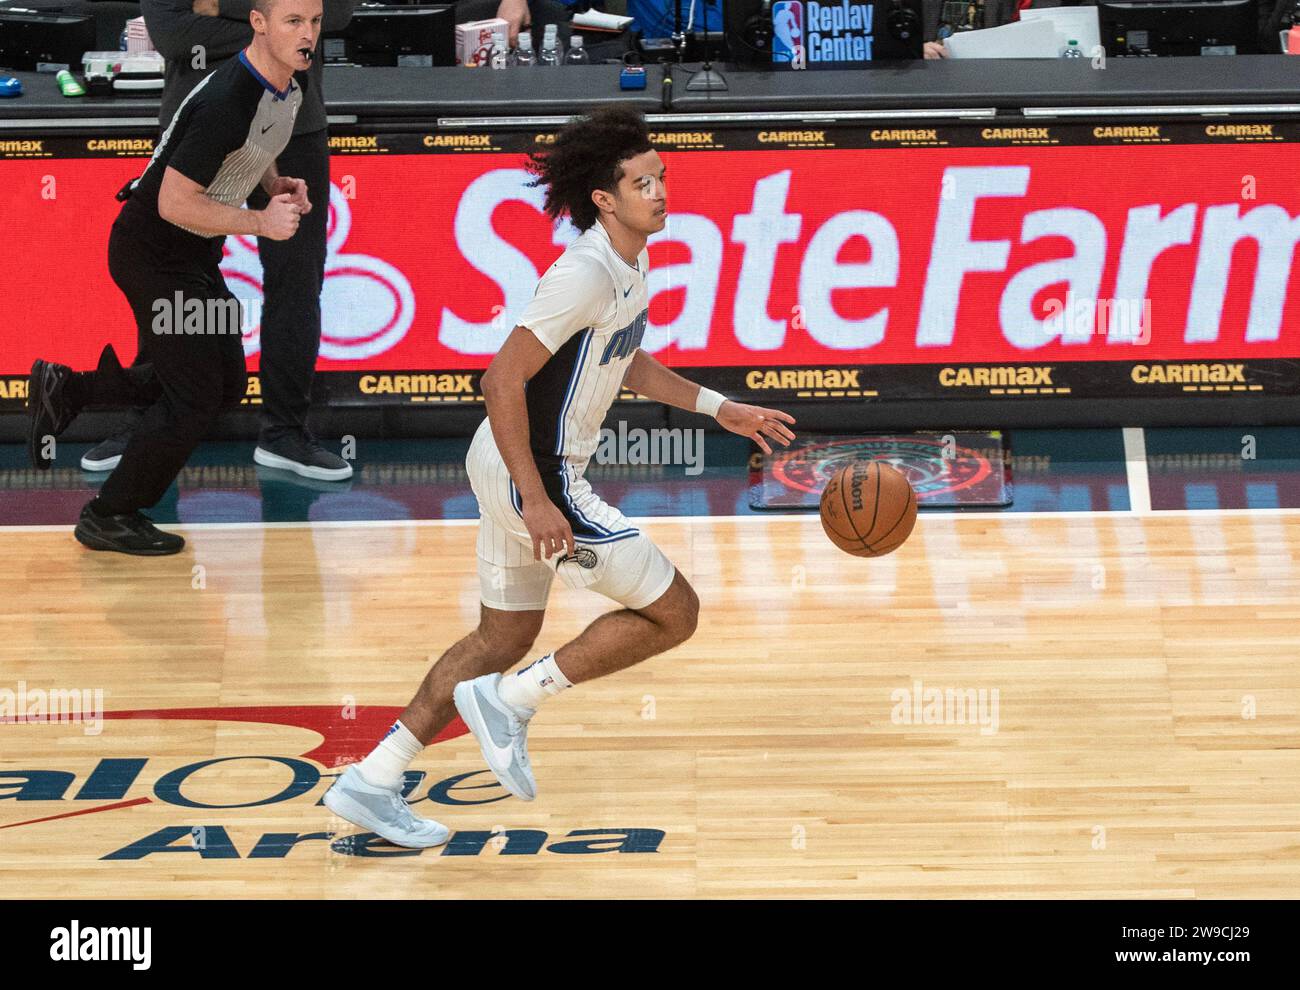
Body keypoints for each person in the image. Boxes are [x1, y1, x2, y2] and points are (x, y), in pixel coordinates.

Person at [322, 105, 798, 847]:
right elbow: (500, 377)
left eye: (662, 177)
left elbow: (624, 359)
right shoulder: (584, 270)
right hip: (534, 471)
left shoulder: (627, 260)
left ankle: (373, 780)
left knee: (498, 635)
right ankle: (512, 702)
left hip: (511, 465)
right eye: (643, 183)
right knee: (676, 612)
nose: (661, 192)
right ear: (605, 199)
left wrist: (717, 406)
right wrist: (539, 500)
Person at [26, 0, 319, 554]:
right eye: (293, 22)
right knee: (194, 395)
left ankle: (71, 388)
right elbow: (172, 203)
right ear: (258, 23)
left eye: (315, 22)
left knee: (226, 384)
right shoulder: (226, 100)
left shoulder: (285, 90)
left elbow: (254, 152)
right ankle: (108, 514)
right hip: (153, 254)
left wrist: (274, 185)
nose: (308, 35)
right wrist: (261, 221)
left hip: (194, 257)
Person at [80, 0, 358, 481]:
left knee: (296, 281)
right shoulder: (257, 38)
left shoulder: (289, 43)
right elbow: (172, 33)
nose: (302, 30)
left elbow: (335, 14)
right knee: (171, 276)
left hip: (294, 121)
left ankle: (285, 433)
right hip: (204, 115)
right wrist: (266, 26)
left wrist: (222, 9)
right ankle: (149, 422)